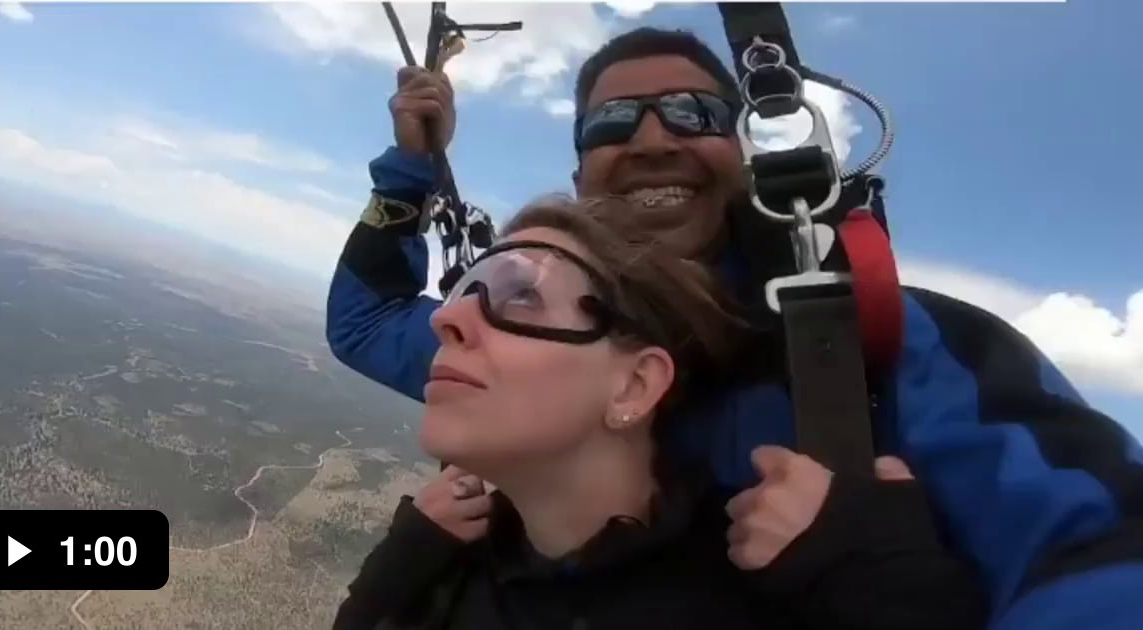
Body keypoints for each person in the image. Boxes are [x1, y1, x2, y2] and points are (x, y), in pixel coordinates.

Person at [327, 27, 1143, 630]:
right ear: (581, 172)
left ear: (744, 151)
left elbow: (1106, 561)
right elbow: (366, 323)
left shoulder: (878, 341)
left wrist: (885, 584)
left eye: (691, 113)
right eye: (612, 124)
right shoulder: (532, 341)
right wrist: (411, 168)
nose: (651, 139)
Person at [331, 195, 988, 630]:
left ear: (635, 385)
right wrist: (404, 566)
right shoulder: (456, 565)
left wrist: (896, 599)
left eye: (520, 293)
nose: (446, 316)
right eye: (467, 288)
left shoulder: (750, 601)